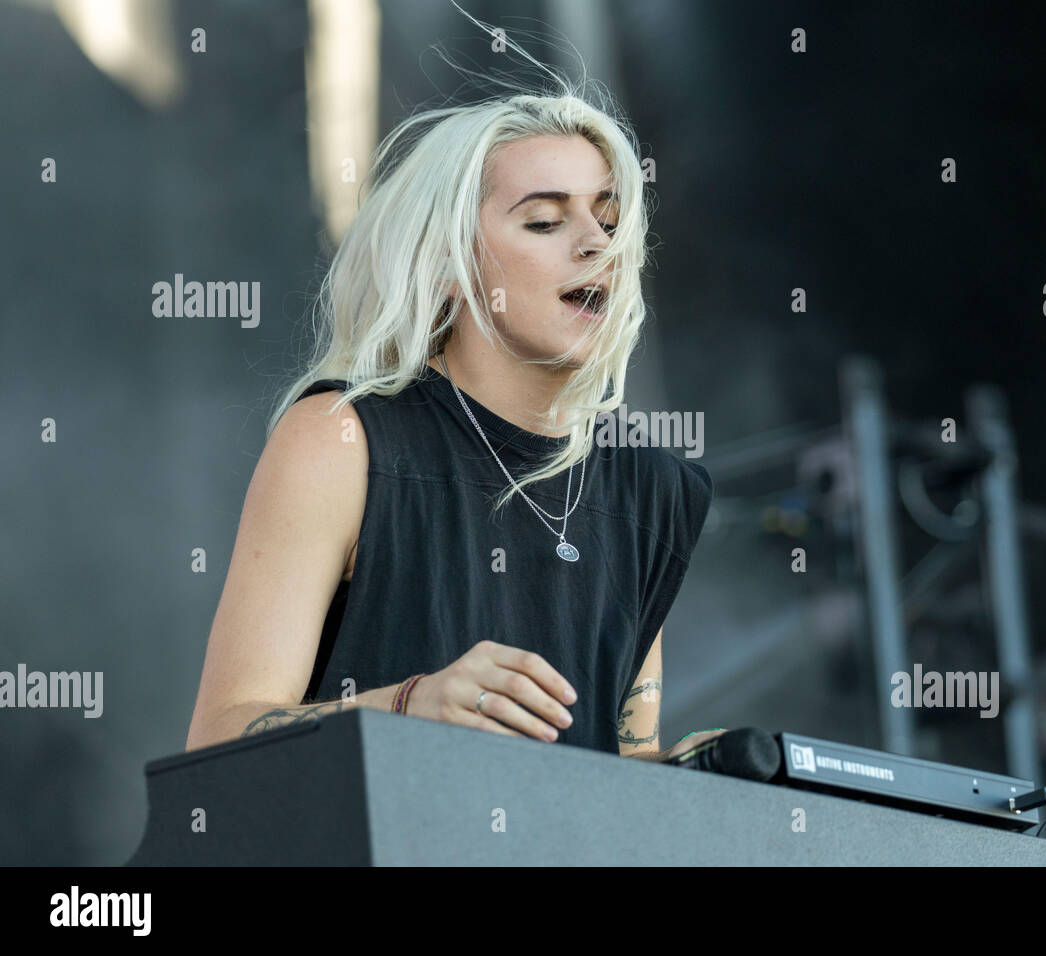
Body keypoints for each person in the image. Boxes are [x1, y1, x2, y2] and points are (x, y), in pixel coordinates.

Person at [184, 55, 722, 762]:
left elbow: (621, 764)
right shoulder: (342, 442)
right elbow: (220, 737)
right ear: (447, 267)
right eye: (544, 222)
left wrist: (701, 774)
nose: (596, 244)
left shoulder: (652, 489)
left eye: (609, 218)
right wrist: (408, 706)